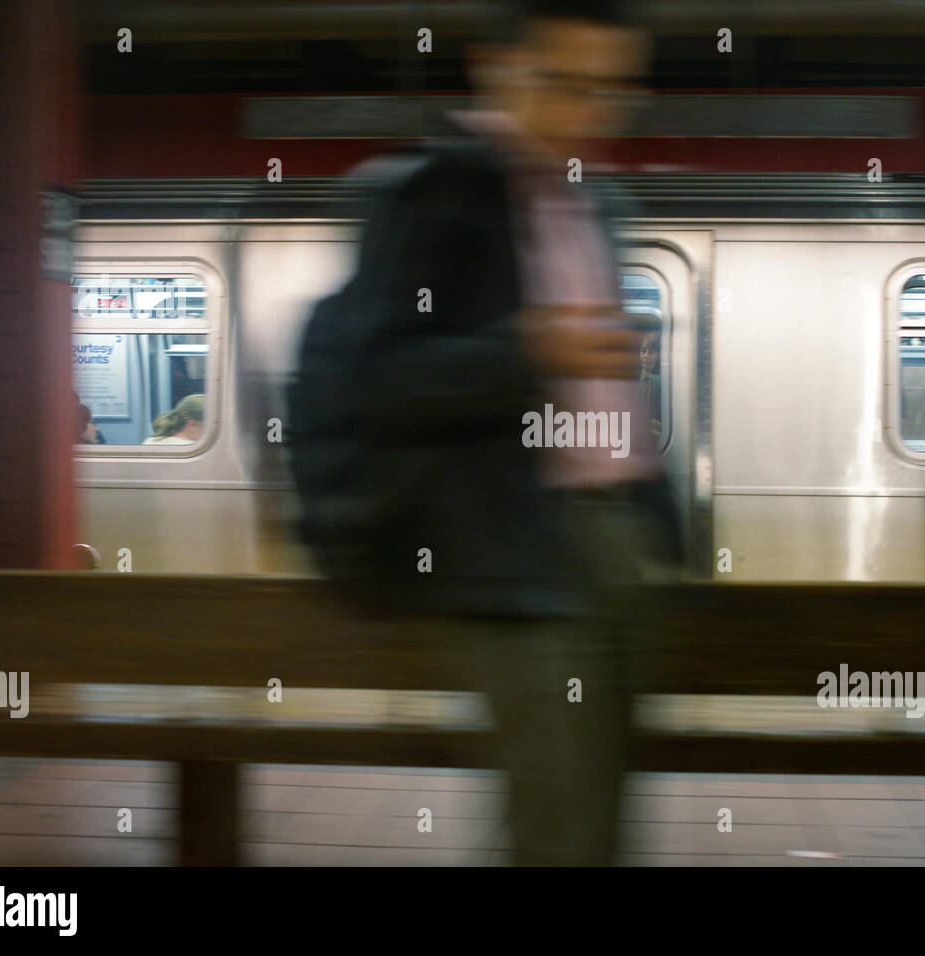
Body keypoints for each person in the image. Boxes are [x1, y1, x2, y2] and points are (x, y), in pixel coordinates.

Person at [291, 0, 680, 865]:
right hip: (511, 554)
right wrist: (524, 351)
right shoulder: (427, 197)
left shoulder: (600, 205)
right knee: (555, 826)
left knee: (605, 817)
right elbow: (372, 380)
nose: (588, 116)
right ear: (494, 68)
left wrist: (661, 520)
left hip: (619, 546)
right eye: (564, 87)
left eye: (612, 93)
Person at [638, 330, 662, 442]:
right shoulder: (644, 377)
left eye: (651, 352)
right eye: (643, 351)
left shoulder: (655, 380)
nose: (645, 356)